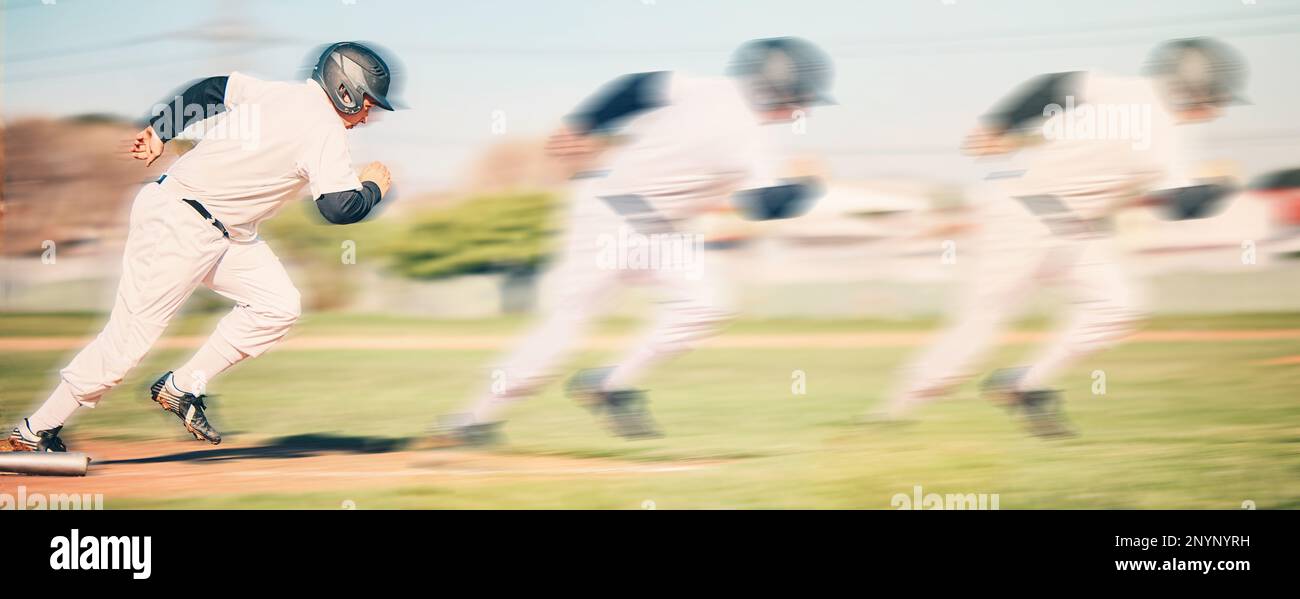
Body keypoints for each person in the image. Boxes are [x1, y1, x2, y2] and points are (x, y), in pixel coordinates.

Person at [2, 42, 400, 452]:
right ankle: (36, 430)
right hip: (180, 224)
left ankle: (181, 387)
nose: (370, 114)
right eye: (369, 102)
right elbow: (338, 208)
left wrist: (161, 127)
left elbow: (211, 89)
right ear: (345, 91)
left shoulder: (277, 93)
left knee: (278, 305)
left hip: (224, 231)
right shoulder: (325, 129)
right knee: (127, 341)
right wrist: (373, 188)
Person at [436, 37, 835, 446]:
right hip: (607, 217)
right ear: (778, 90)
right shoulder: (753, 139)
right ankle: (470, 420)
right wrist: (807, 188)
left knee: (706, 303)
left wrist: (585, 123)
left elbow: (637, 86)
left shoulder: (705, 89)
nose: (802, 109)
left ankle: (607, 384)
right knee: (569, 320)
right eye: (801, 98)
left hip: (655, 230)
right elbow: (761, 206)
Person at [875, 38, 1247, 437]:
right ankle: (891, 416)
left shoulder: (1121, 88)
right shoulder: (1166, 137)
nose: (1218, 108)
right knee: (980, 324)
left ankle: (1023, 384)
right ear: (1196, 88)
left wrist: (999, 123)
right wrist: (1221, 187)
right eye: (1217, 97)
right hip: (1025, 215)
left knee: (1115, 306)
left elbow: (1053, 85)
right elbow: (1181, 208)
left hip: (1067, 224)